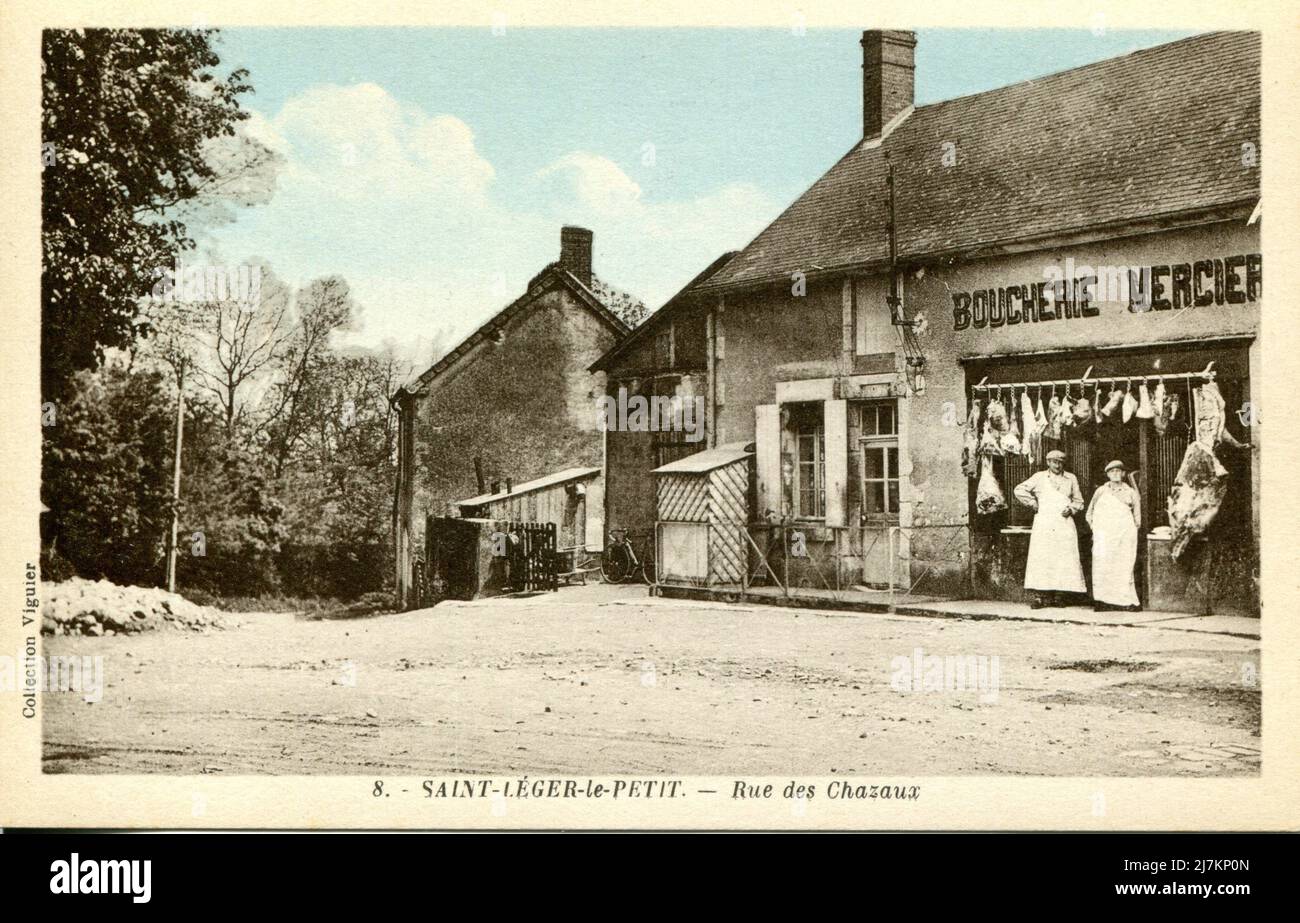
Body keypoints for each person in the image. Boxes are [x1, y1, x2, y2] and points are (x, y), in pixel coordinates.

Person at [1013, 449, 1086, 608]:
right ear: (1048, 462)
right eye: (1054, 462)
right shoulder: (1039, 477)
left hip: (1063, 523)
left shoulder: (1070, 478)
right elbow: (1019, 490)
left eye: (1060, 462)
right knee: (1042, 558)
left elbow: (1079, 501)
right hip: (1044, 523)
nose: (1057, 465)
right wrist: (1033, 503)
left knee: (1063, 558)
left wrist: (1072, 509)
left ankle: (1060, 596)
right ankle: (1040, 597)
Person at [1086, 459, 1142, 611]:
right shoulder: (1101, 491)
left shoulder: (1130, 492)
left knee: (1123, 567)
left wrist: (1130, 531)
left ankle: (1126, 602)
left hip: (1124, 537)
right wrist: (1095, 530)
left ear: (1123, 474)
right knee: (1103, 566)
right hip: (1104, 537)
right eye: (1112, 472)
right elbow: (1089, 513)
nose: (1115, 474)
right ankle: (1102, 601)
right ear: (1108, 475)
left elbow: (1137, 518)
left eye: (1118, 471)